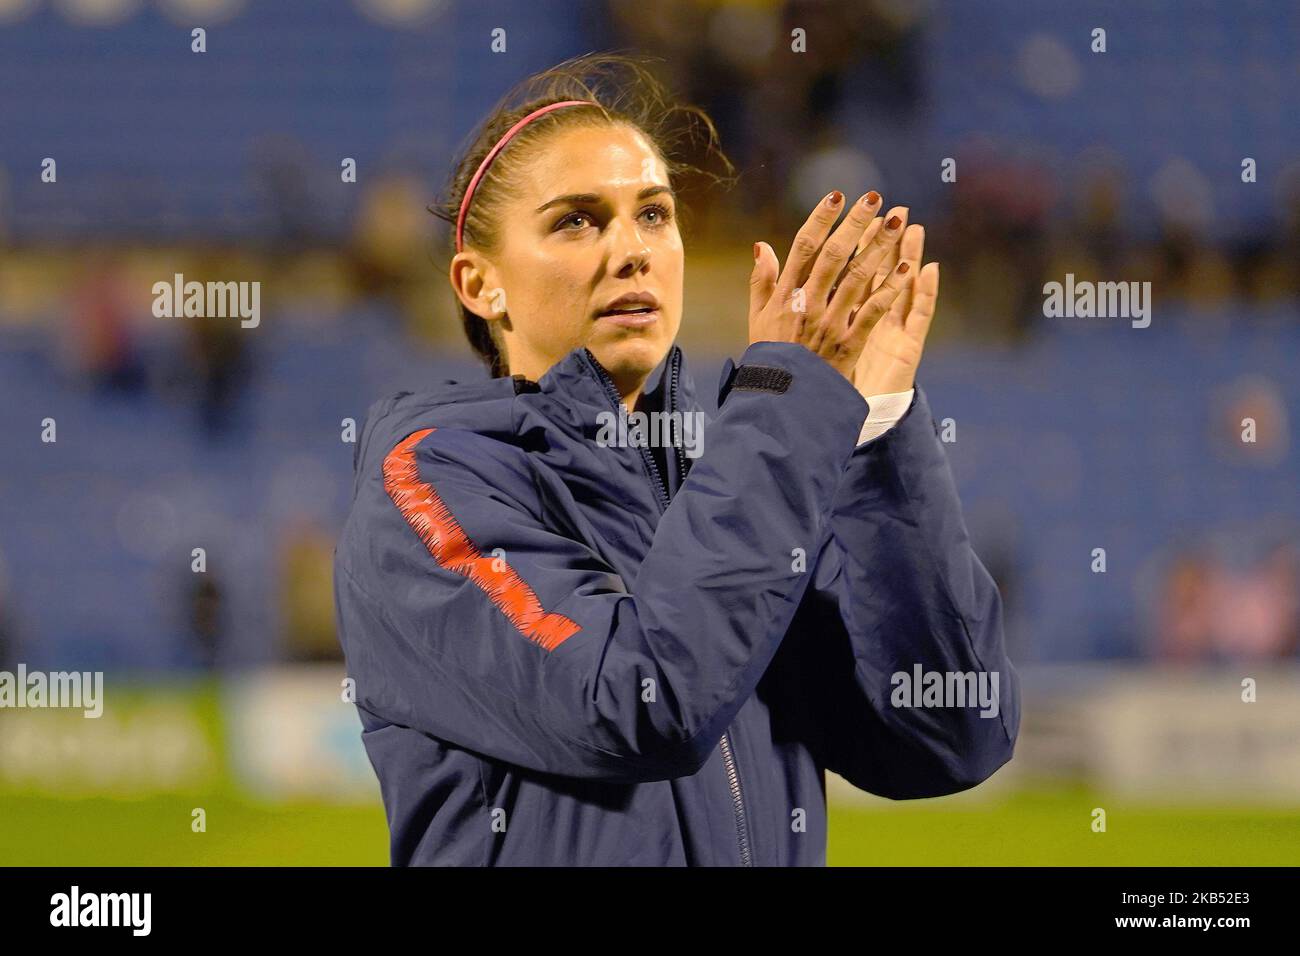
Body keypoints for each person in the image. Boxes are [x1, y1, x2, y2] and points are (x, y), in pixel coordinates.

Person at [333, 54, 1020, 866]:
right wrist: (782, 410)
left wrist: (873, 430)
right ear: (480, 284)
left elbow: (945, 735)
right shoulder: (428, 485)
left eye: (654, 214)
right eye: (576, 221)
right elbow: (638, 703)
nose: (631, 250)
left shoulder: (746, 460)